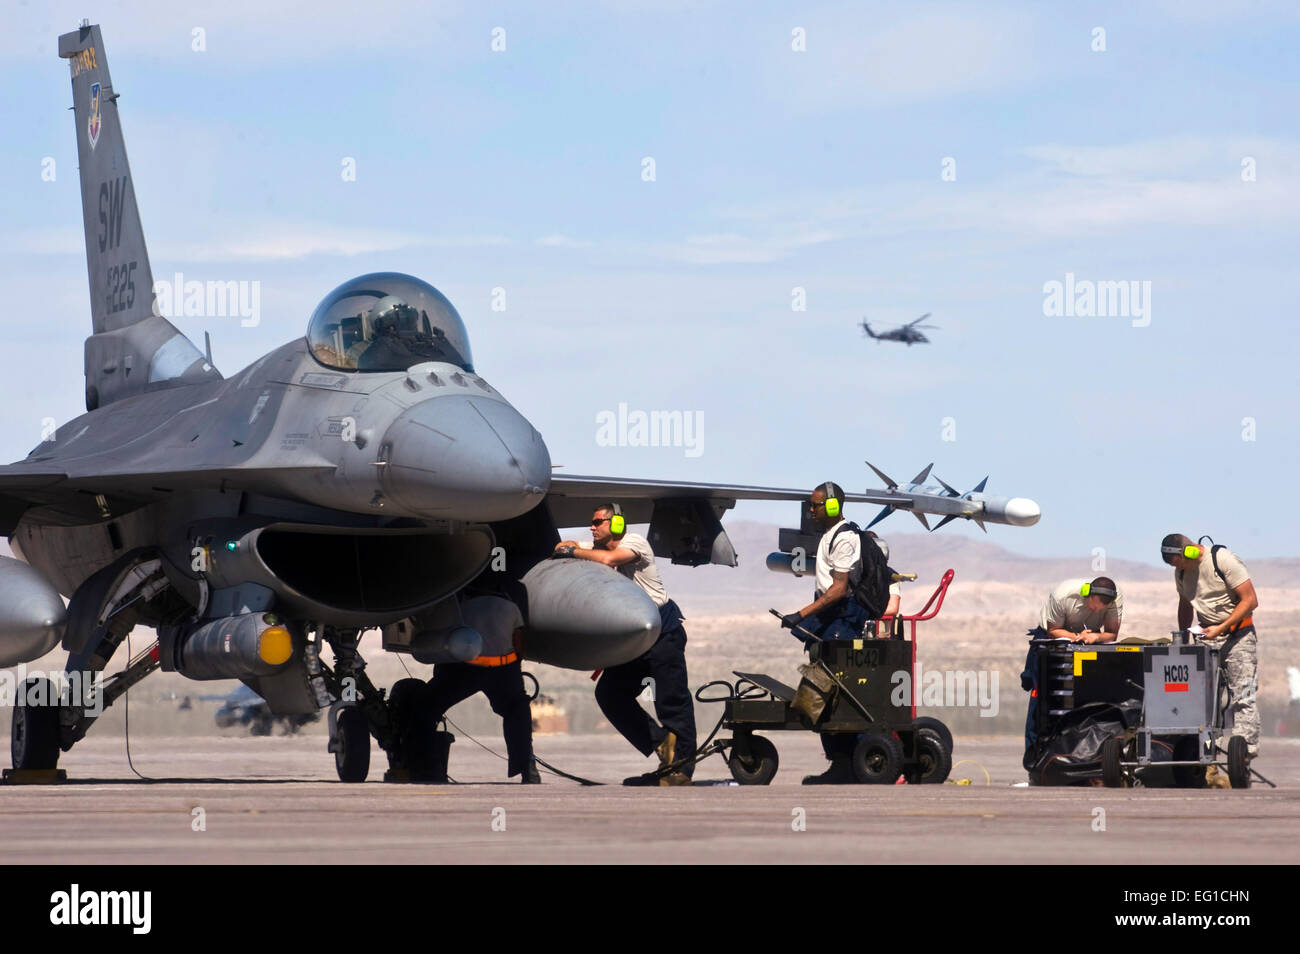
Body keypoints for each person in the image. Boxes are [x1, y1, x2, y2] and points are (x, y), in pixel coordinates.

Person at [554, 504, 697, 786]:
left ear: (616, 524)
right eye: (591, 523)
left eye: (598, 522)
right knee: (609, 694)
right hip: (636, 640)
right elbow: (568, 544)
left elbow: (610, 559)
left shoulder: (635, 543)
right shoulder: (595, 545)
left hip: (663, 635)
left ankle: (680, 771)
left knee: (671, 703)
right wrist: (568, 546)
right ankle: (662, 746)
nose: (592, 527)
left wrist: (572, 552)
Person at [777, 482, 877, 784]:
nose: (811, 510)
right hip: (833, 617)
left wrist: (802, 613)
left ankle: (849, 764)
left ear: (833, 506)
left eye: (816, 505)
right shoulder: (830, 536)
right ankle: (844, 763)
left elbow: (838, 589)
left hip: (842, 616)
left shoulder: (845, 539)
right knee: (828, 691)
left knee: (830, 691)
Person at [420, 580, 539, 784]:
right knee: (517, 710)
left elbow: (446, 641)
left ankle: (427, 766)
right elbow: (519, 642)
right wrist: (513, 672)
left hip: (463, 669)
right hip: (502, 670)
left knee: (425, 708)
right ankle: (526, 766)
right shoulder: (511, 607)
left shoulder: (461, 608)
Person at [1162, 533, 1260, 760]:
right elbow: (1185, 604)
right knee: (1203, 700)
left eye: (1178, 563)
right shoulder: (1181, 572)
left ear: (1190, 551)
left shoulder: (1222, 560)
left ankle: (1243, 753)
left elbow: (1250, 600)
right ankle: (1207, 755)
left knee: (1243, 695)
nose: (1177, 568)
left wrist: (1223, 626)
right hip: (1206, 638)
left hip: (1238, 637)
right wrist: (1183, 639)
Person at [1020, 576, 1123, 754]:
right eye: (1096, 605)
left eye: (1102, 608)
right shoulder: (1063, 596)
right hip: (1053, 637)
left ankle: (1087, 753)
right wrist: (1076, 637)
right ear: (1088, 594)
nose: (1097, 610)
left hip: (1089, 640)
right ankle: (1035, 755)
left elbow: (1112, 634)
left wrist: (1096, 637)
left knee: (1088, 695)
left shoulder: (1115, 599)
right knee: (1042, 696)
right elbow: (1053, 630)